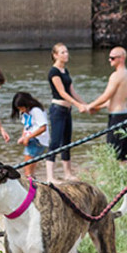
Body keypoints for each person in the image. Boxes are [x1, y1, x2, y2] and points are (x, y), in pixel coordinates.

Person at [46, 43, 88, 182]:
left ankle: (67, 173)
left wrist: (85, 104)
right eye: (62, 52)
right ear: (55, 55)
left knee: (66, 142)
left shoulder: (65, 71)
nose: (66, 54)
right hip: (57, 110)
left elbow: (71, 91)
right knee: (55, 142)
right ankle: (50, 177)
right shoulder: (54, 72)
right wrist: (78, 105)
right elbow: (62, 93)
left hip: (67, 110)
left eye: (66, 52)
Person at [85, 47, 127, 160]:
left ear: (121, 58)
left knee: (113, 150)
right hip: (125, 114)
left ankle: (116, 171)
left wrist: (89, 106)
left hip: (117, 117)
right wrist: (98, 107)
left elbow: (106, 95)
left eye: (112, 58)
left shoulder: (116, 75)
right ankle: (125, 170)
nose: (109, 60)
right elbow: (116, 99)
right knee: (123, 151)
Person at [12, 92, 49, 166]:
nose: (21, 110)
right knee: (29, 166)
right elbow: (26, 126)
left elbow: (43, 128)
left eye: (22, 108)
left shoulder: (36, 110)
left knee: (28, 167)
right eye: (19, 109)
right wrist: (23, 137)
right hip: (31, 139)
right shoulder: (25, 112)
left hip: (37, 140)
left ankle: (30, 175)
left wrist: (28, 137)